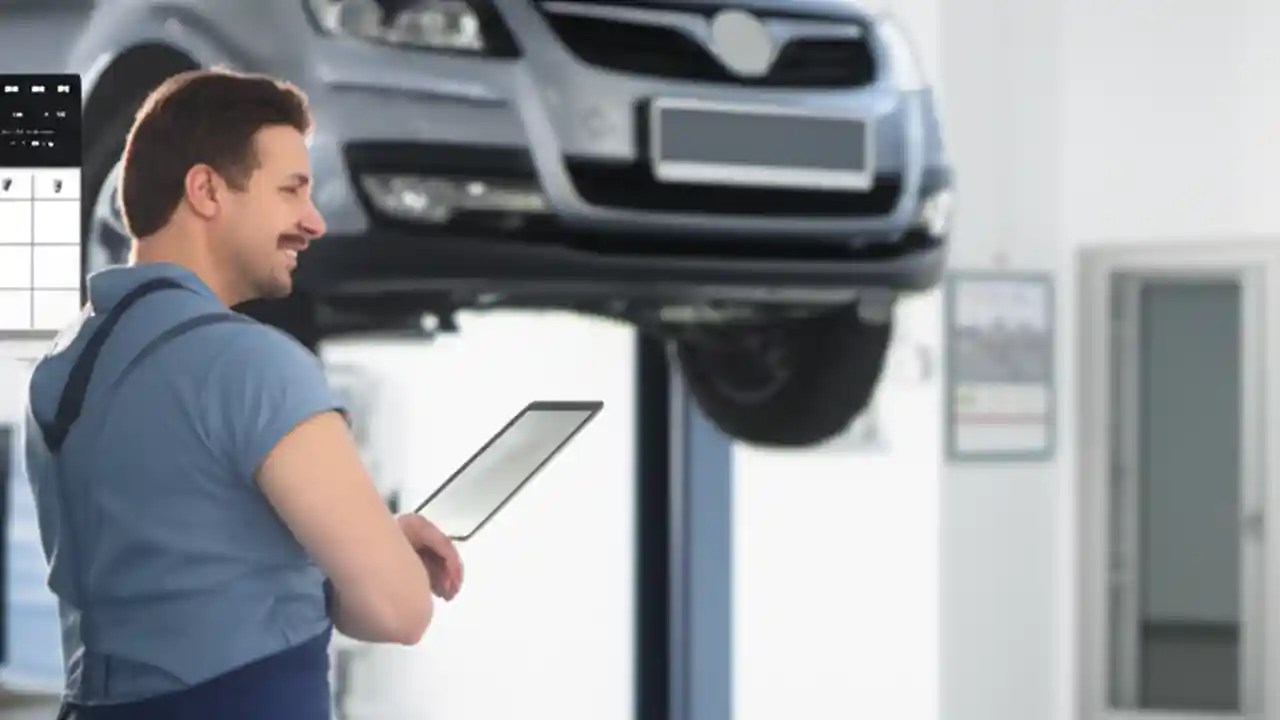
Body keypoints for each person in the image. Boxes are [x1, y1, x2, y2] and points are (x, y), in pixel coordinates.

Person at [21, 67, 462, 719]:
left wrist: (359, 541)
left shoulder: (63, 368)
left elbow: (190, 572)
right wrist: (382, 563)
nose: (313, 221)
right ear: (205, 190)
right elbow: (399, 610)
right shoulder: (252, 364)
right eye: (291, 191)